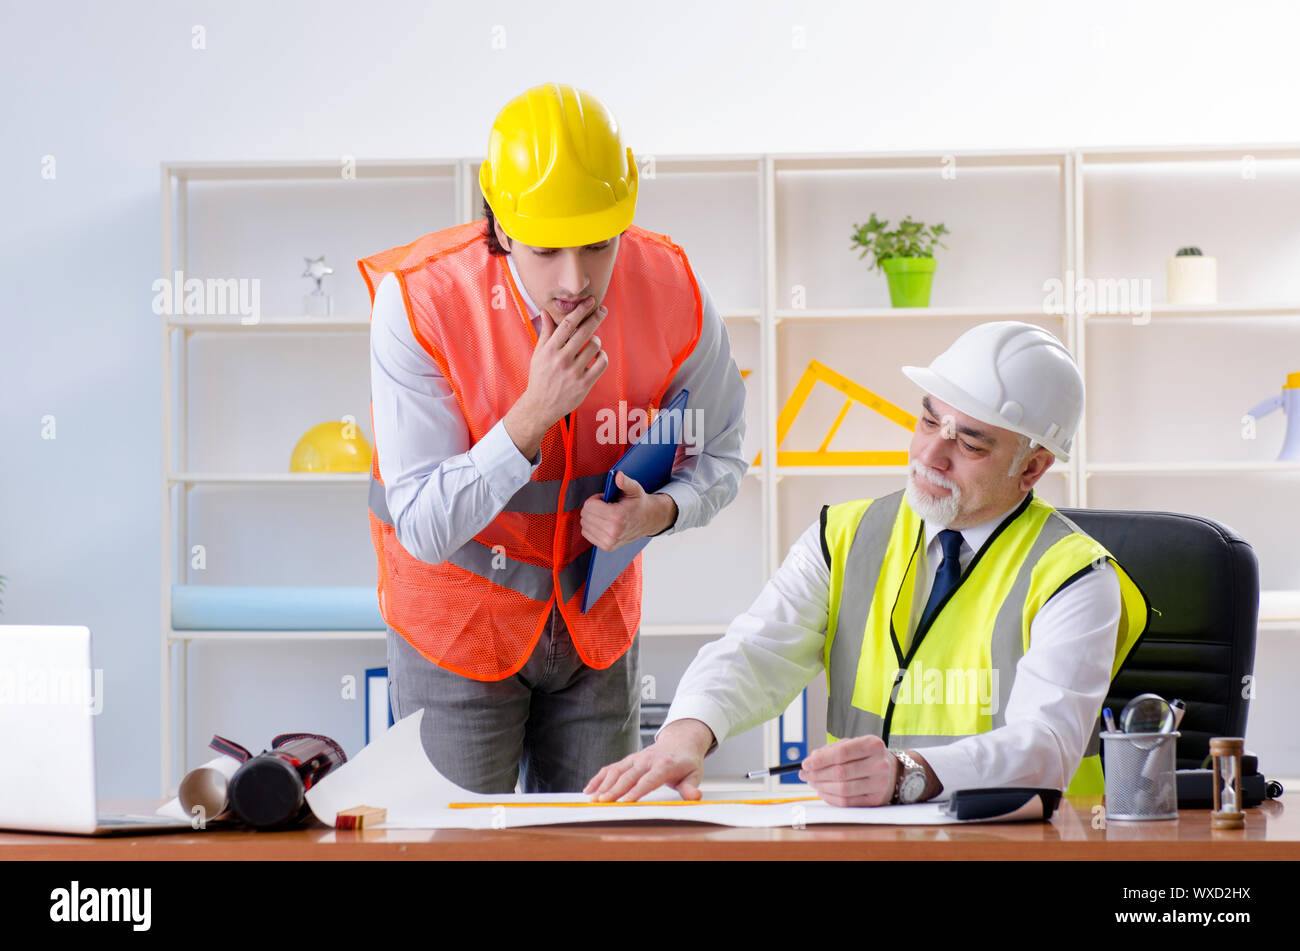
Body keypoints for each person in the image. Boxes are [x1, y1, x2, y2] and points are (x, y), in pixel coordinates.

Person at [358, 83, 747, 794]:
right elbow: (421, 525)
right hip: (460, 627)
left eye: (599, 243)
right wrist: (530, 418)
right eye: (545, 249)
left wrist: (661, 511)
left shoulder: (673, 288)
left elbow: (722, 449)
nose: (576, 280)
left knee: (599, 842)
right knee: (457, 849)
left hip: (595, 626)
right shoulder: (420, 304)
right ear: (500, 227)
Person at [586, 321, 1149, 806]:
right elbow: (757, 650)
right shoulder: (846, 535)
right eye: (929, 421)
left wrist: (908, 776)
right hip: (865, 837)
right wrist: (686, 733)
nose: (931, 453)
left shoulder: (1075, 575)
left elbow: (1046, 746)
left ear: (1032, 468)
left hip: (1018, 845)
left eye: (971, 444)